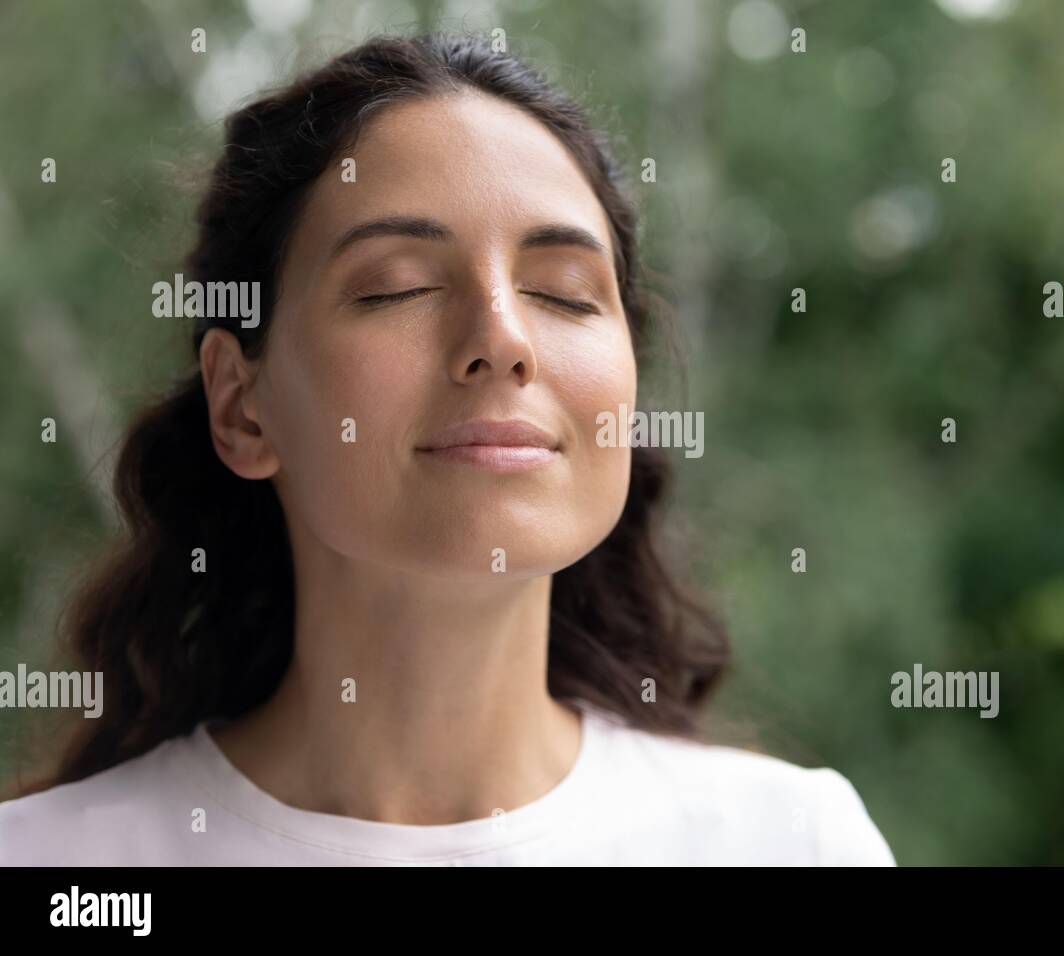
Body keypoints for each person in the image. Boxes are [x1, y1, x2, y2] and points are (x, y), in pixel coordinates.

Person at [0, 33, 894, 866]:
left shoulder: (790, 844)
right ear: (243, 406)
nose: (504, 338)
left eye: (566, 293)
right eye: (399, 288)